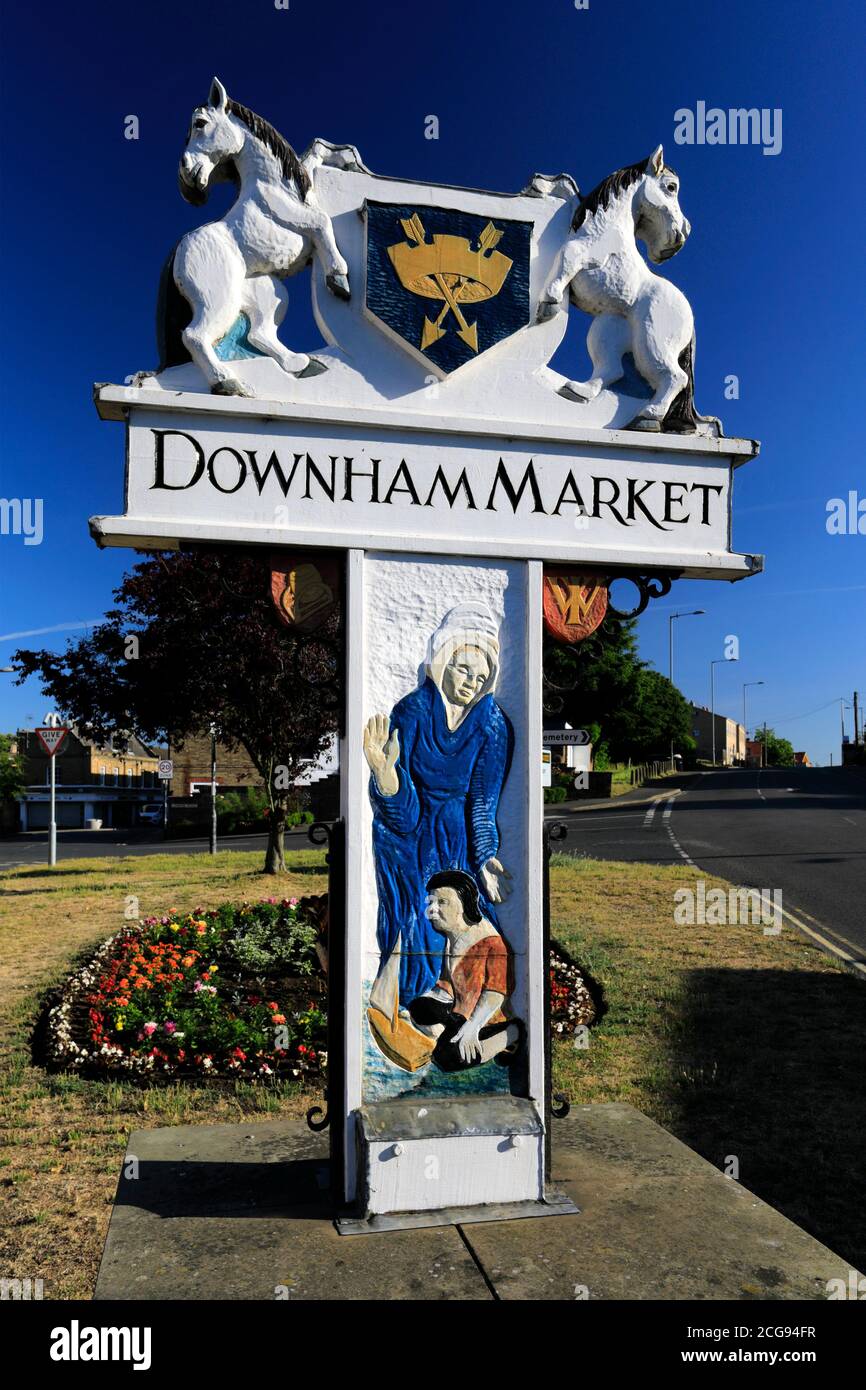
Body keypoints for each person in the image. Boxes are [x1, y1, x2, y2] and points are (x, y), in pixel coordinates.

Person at [363, 602, 514, 1015]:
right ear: (445, 659)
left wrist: (484, 857)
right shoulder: (412, 711)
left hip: (457, 836)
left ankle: (464, 1004)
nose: (471, 682)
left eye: (481, 677)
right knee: (413, 906)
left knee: (454, 910)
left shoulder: (492, 724)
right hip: (407, 831)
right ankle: (394, 997)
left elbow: (483, 800)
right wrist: (383, 771)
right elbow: (401, 808)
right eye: (464, 669)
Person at [407, 871, 523, 1071]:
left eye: (442, 902)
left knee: (447, 1058)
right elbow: (447, 983)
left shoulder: (491, 942)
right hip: (459, 1012)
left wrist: (473, 1027)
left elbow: (495, 994)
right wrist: (427, 1003)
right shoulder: (452, 939)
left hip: (488, 1019)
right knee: (420, 1007)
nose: (432, 910)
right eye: (431, 902)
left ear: (463, 903)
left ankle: (510, 1035)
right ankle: (445, 1030)